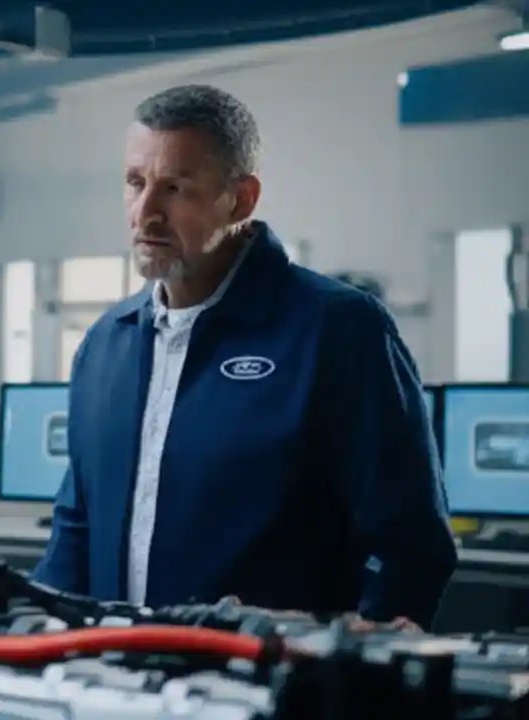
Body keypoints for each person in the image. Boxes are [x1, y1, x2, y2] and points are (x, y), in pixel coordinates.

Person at [32, 84, 456, 629]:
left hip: (269, 689)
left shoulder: (338, 329)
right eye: (135, 184)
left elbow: (410, 544)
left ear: (241, 198)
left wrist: (349, 670)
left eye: (176, 188)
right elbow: (77, 531)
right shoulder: (105, 344)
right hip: (119, 680)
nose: (146, 214)